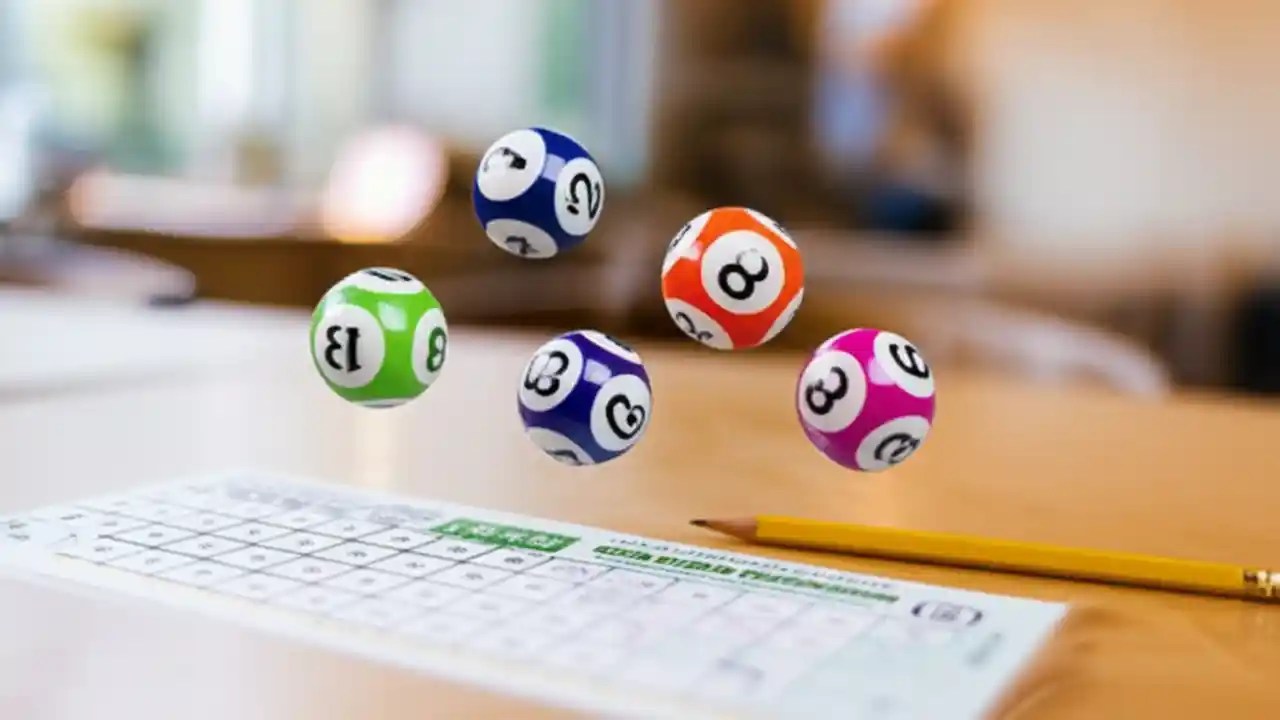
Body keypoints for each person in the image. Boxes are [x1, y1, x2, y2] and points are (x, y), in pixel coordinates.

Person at [812, 0, 963, 235]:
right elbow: (848, 158)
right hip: (873, 195)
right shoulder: (848, 96)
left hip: (918, 198)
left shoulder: (928, 93)